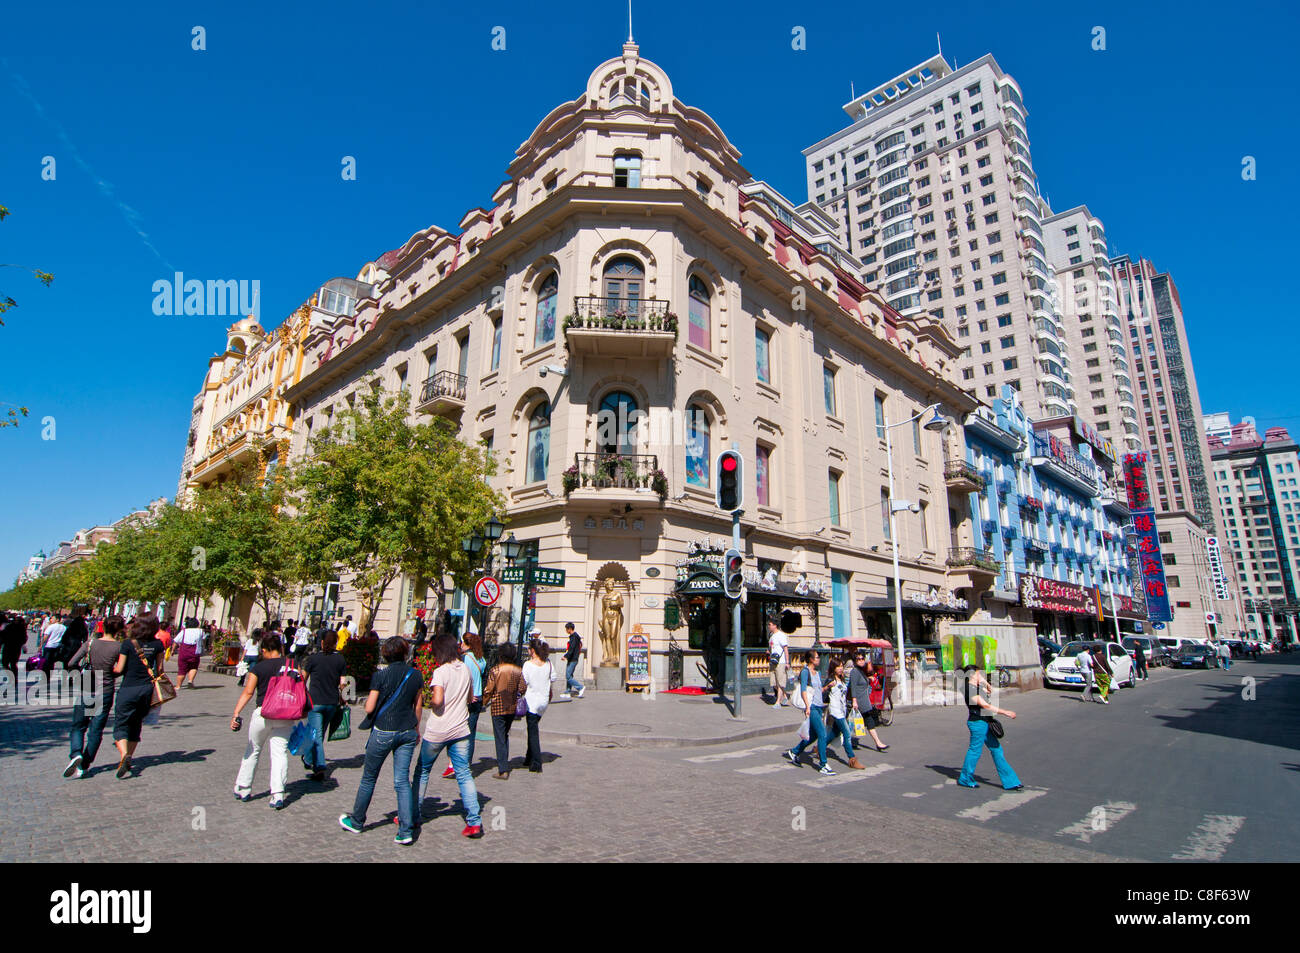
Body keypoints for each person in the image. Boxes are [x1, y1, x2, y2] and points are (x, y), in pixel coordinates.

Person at [339, 637, 424, 845]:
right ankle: (405, 830)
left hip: (384, 729)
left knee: (369, 777)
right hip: (406, 730)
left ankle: (357, 820)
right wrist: (416, 728)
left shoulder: (380, 676)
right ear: (405, 653)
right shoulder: (416, 675)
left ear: (385, 654)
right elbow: (418, 706)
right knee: (402, 780)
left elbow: (369, 708)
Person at [410, 634, 484, 838]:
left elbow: (438, 700)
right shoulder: (466, 669)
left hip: (439, 729)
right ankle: (474, 820)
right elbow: (471, 698)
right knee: (464, 773)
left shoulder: (440, 672)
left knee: (422, 771)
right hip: (460, 729)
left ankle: (412, 815)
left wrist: (429, 700)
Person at [231, 633, 302, 809]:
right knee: (279, 754)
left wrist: (236, 713)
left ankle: (244, 787)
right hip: (285, 715)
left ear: (264, 650)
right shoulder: (293, 666)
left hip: (263, 712)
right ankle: (278, 794)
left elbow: (248, 692)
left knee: (253, 750)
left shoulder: (259, 668)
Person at [65, 615, 125, 778]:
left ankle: (76, 753)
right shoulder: (119, 647)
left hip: (87, 686)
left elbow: (71, 662)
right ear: (119, 630)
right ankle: (85, 764)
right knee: (96, 730)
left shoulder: (90, 644)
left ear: (103, 627)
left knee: (78, 726)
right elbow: (120, 670)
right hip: (105, 689)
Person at [110, 613, 167, 779]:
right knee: (136, 724)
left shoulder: (128, 644)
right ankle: (129, 757)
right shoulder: (158, 644)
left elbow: (119, 669)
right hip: (147, 689)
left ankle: (124, 755)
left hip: (129, 687)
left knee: (121, 724)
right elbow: (160, 670)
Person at [957, 665, 1022, 790]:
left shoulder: (976, 687)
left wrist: (984, 681)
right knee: (975, 751)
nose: (980, 676)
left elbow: (990, 690)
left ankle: (1011, 782)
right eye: (978, 674)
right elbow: (985, 705)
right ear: (971, 675)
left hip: (986, 721)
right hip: (977, 723)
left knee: (997, 750)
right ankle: (965, 778)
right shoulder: (968, 689)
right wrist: (1005, 712)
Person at [302, 634, 348, 781]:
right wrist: (342, 697)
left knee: (316, 734)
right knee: (319, 734)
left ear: (321, 643)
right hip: (331, 702)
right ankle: (309, 759)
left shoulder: (313, 659)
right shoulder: (340, 659)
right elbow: (343, 683)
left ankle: (320, 767)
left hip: (315, 702)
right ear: (335, 643)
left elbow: (303, 678)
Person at [442, 632, 486, 778]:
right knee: (471, 733)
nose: (461, 645)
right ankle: (466, 763)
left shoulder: (466, 659)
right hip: (479, 699)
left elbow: (464, 678)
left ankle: (456, 764)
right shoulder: (481, 659)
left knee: (459, 732)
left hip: (468, 698)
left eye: (463, 642)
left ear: (468, 644)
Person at [785, 650, 836, 776]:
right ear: (811, 659)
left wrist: (827, 687)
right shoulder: (805, 672)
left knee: (813, 735)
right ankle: (823, 764)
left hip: (819, 706)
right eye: (817, 657)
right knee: (823, 734)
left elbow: (818, 690)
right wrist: (807, 707)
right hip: (812, 707)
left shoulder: (817, 673)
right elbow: (803, 691)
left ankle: (795, 751)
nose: (819, 659)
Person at [482, 641, 525, 779]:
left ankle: (503, 769)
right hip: (511, 707)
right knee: (504, 735)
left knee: (500, 737)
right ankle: (504, 763)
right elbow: (522, 688)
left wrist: (483, 703)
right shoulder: (518, 670)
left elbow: (488, 690)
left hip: (498, 706)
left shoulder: (495, 670)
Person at [521, 636, 557, 773]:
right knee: (533, 729)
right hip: (544, 701)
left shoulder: (528, 665)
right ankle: (528, 757)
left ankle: (536, 762)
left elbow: (524, 681)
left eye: (529, 649)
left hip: (531, 702)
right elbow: (553, 678)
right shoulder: (548, 663)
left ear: (532, 651)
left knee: (533, 732)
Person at [825, 658, 865, 770]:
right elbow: (821, 691)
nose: (840, 668)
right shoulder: (830, 680)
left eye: (842, 666)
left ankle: (820, 748)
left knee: (834, 733)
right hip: (835, 711)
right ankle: (852, 759)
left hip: (842, 710)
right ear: (833, 668)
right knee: (847, 734)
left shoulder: (842, 679)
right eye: (838, 666)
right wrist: (827, 687)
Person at [847, 650, 890, 753]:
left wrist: (869, 679)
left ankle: (877, 742)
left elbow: (863, 682)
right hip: (860, 701)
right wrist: (854, 701)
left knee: (863, 721)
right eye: (859, 659)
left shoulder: (861, 671)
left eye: (862, 659)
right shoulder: (854, 672)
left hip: (864, 700)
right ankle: (878, 743)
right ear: (855, 661)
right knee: (866, 720)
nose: (861, 661)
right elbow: (853, 686)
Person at [173, 617, 205, 689]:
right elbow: (203, 640)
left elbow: (176, 641)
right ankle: (190, 680)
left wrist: (172, 650)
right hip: (195, 652)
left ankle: (178, 685)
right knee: (194, 667)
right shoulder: (200, 631)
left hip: (184, 652)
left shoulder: (184, 631)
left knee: (182, 669)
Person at [767, 615, 790, 706]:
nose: (769, 626)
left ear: (775, 625)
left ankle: (778, 702)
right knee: (774, 683)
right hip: (773, 661)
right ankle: (785, 695)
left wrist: (787, 662)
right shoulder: (771, 636)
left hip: (781, 662)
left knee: (780, 682)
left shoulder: (781, 635)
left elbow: (785, 649)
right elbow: (772, 647)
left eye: (770, 624)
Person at [560, 622, 585, 699]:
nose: (566, 631)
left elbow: (572, 648)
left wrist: (566, 656)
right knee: (569, 675)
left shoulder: (574, 637)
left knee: (568, 676)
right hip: (573, 658)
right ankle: (568, 691)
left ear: (570, 629)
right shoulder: (574, 637)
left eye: (566, 629)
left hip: (573, 659)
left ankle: (580, 687)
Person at [1, 612, 27, 681]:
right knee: (13, 664)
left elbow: (2, 637)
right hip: (16, 648)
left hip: (8, 647)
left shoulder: (8, 627)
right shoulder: (22, 629)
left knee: (5, 663)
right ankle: (14, 677)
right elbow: (24, 639)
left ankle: (12, 676)